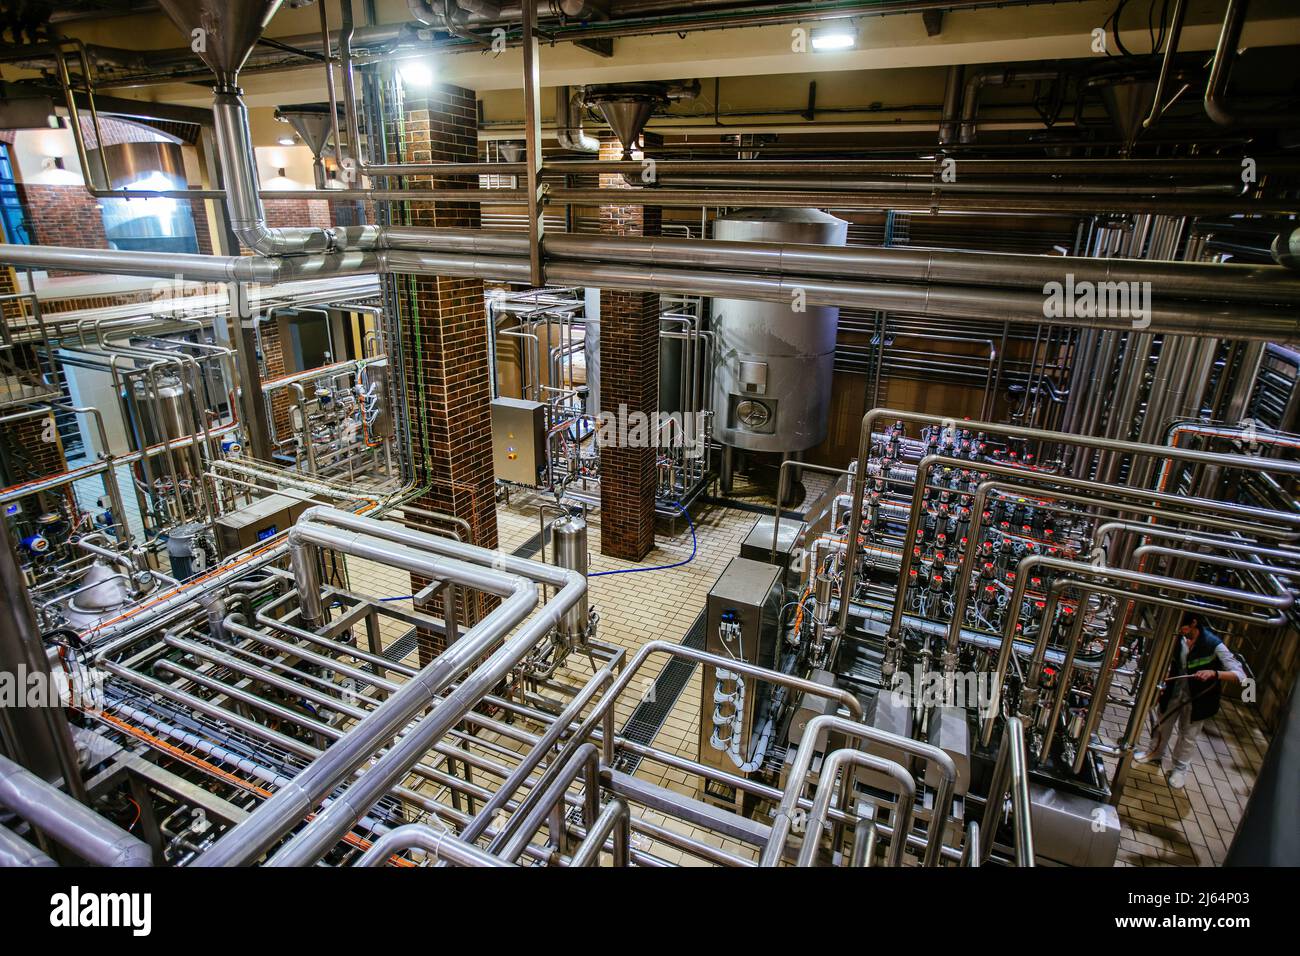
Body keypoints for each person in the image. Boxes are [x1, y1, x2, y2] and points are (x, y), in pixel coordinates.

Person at [1134, 612, 1246, 789]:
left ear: (1194, 623)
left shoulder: (1213, 643)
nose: (1180, 630)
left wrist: (1214, 673)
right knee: (1162, 723)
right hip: (1174, 690)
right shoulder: (1177, 638)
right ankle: (1154, 752)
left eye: (1183, 626)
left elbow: (1240, 675)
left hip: (1198, 698)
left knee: (1188, 734)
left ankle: (1179, 769)